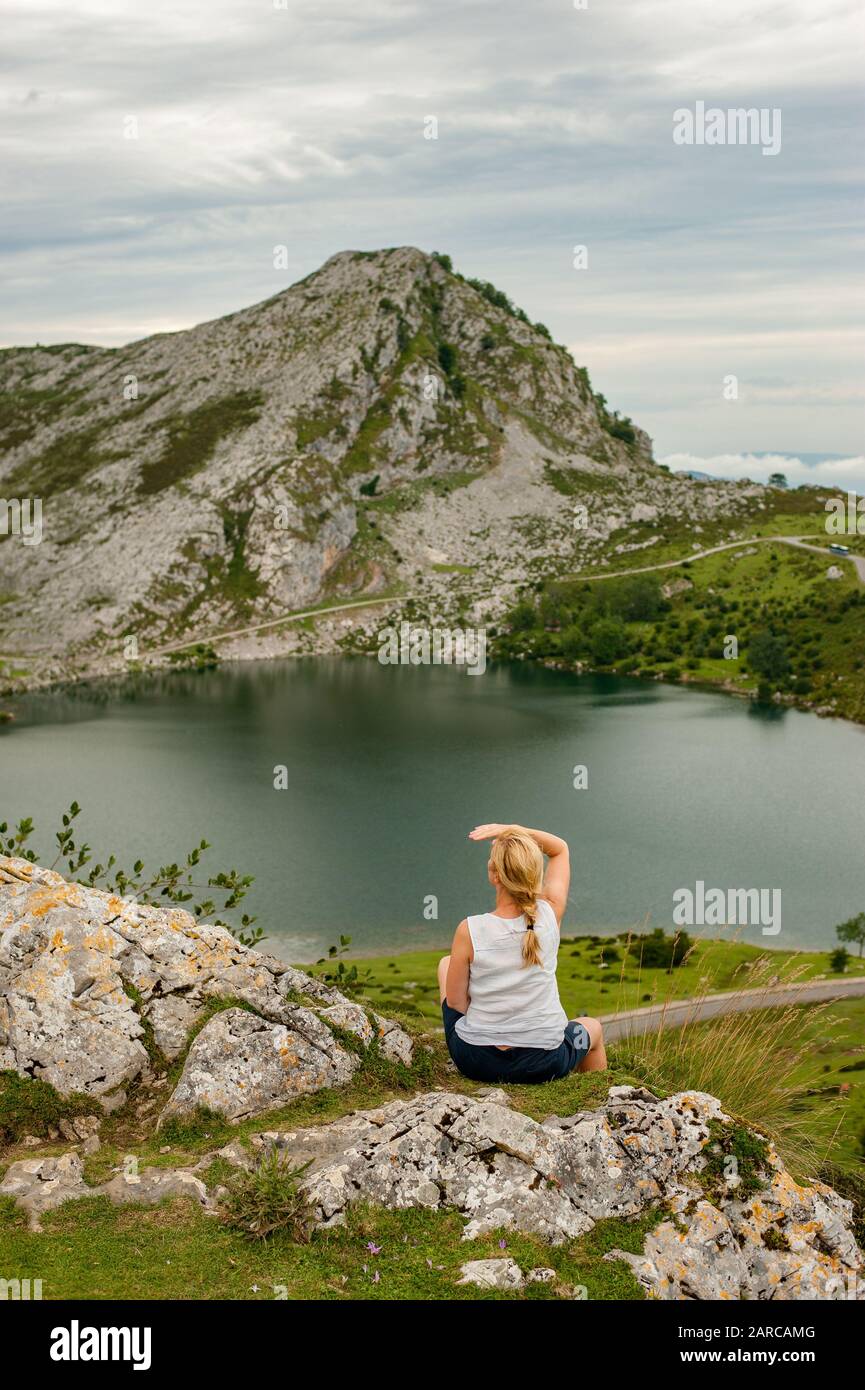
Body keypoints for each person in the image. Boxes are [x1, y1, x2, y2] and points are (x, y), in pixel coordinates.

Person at [437, 823, 606, 1083]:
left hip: (477, 1060)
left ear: (494, 875)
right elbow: (559, 849)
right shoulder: (550, 913)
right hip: (545, 1061)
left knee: (447, 964)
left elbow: (457, 1004)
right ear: (534, 873)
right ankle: (594, 1098)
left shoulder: (469, 929)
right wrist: (513, 829)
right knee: (592, 1027)